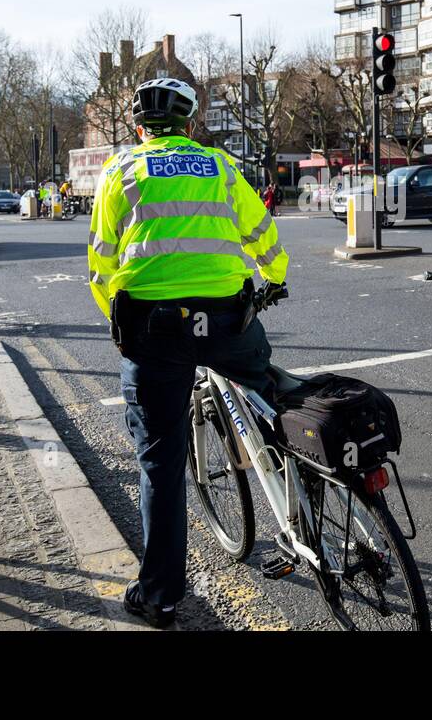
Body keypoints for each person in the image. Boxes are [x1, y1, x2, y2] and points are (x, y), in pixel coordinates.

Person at [87, 77, 288, 629]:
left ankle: (160, 596)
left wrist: (117, 315)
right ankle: (305, 502)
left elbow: (101, 266)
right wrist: (273, 279)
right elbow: (265, 238)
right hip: (227, 321)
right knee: (279, 402)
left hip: (155, 334)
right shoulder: (221, 167)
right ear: (192, 126)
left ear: (138, 128)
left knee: (160, 462)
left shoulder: (121, 172)